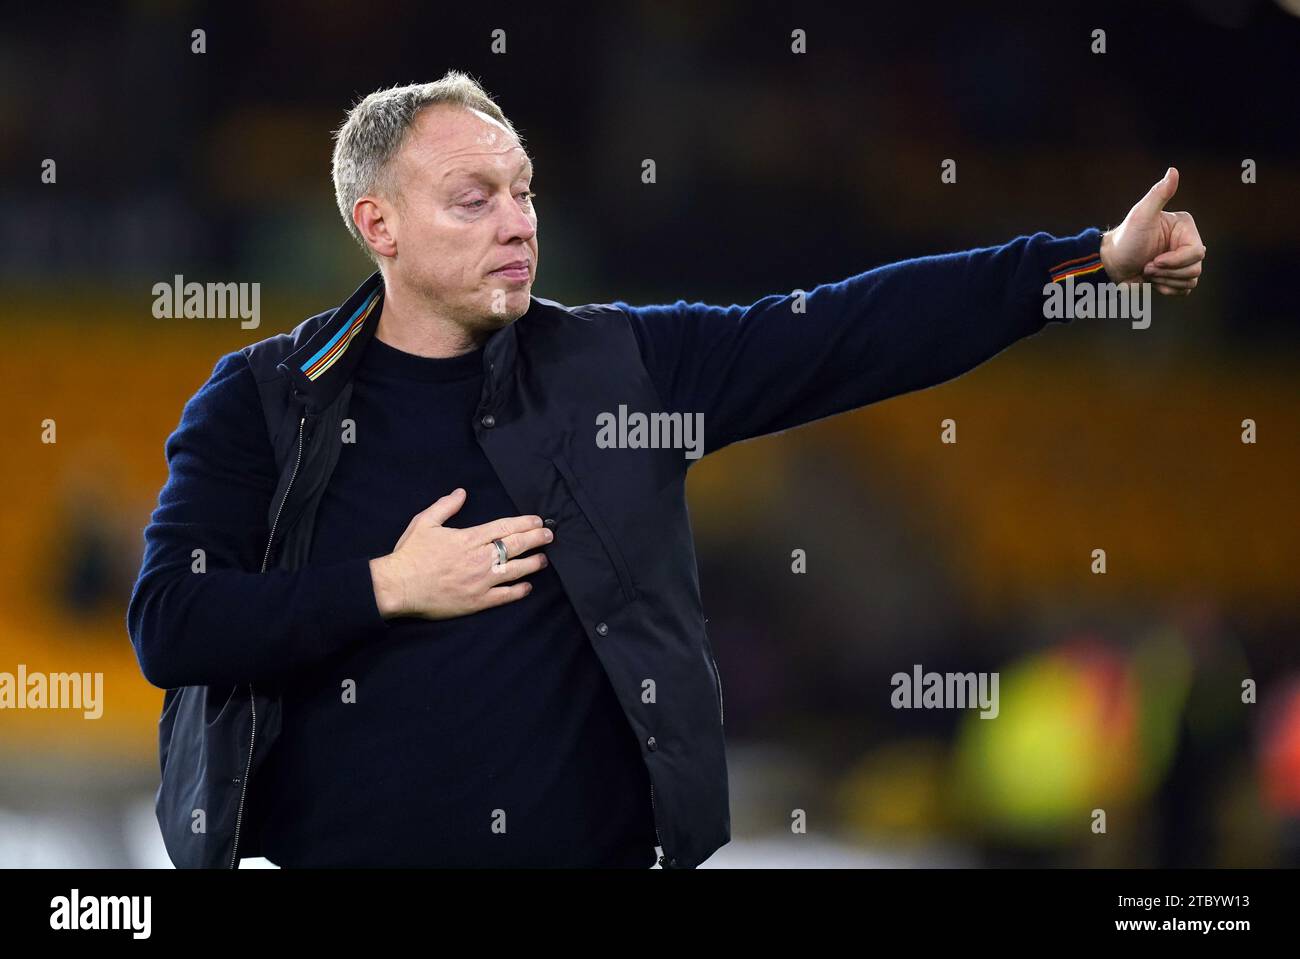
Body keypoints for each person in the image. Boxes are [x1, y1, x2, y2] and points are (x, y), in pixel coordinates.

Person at [127, 71, 1205, 869]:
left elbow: (849, 328)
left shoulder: (623, 366)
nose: (515, 222)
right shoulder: (265, 398)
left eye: (524, 191)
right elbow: (171, 623)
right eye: (473, 199)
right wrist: (388, 584)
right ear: (380, 224)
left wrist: (1083, 261)